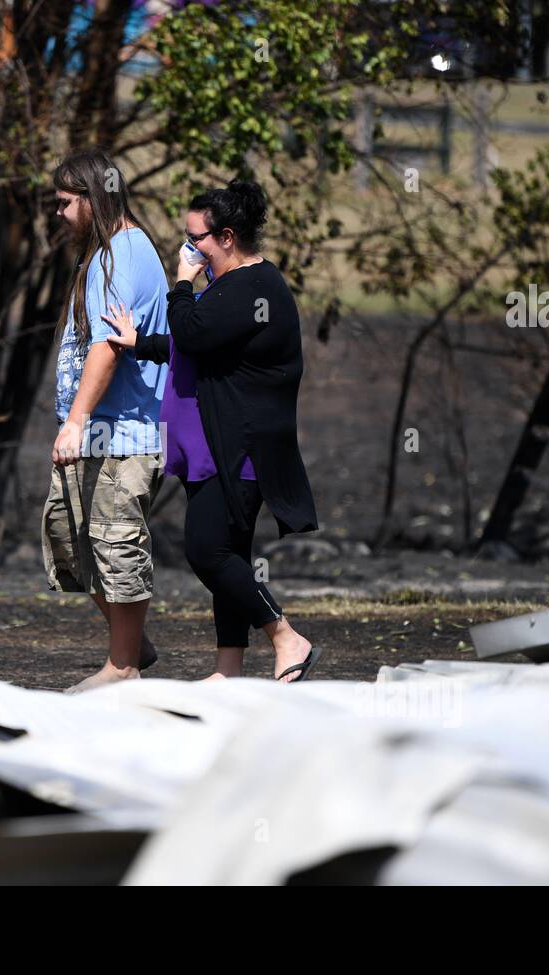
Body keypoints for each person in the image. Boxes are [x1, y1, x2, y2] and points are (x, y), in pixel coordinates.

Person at [103, 178, 322, 682]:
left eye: (195, 239)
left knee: (207, 550)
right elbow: (201, 347)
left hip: (240, 449)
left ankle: (287, 637)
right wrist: (142, 342)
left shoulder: (255, 287)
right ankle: (228, 669)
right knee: (233, 553)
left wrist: (181, 282)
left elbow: (195, 332)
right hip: (210, 447)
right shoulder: (231, 288)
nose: (188, 249)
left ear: (226, 237)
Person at [43, 148, 169, 694]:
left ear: (93, 198)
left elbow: (109, 347)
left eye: (66, 203)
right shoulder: (100, 254)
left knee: (116, 545)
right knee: (68, 540)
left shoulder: (126, 254)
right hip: (95, 430)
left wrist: (76, 420)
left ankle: (122, 669)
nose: (59, 213)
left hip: (121, 432)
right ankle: (132, 642)